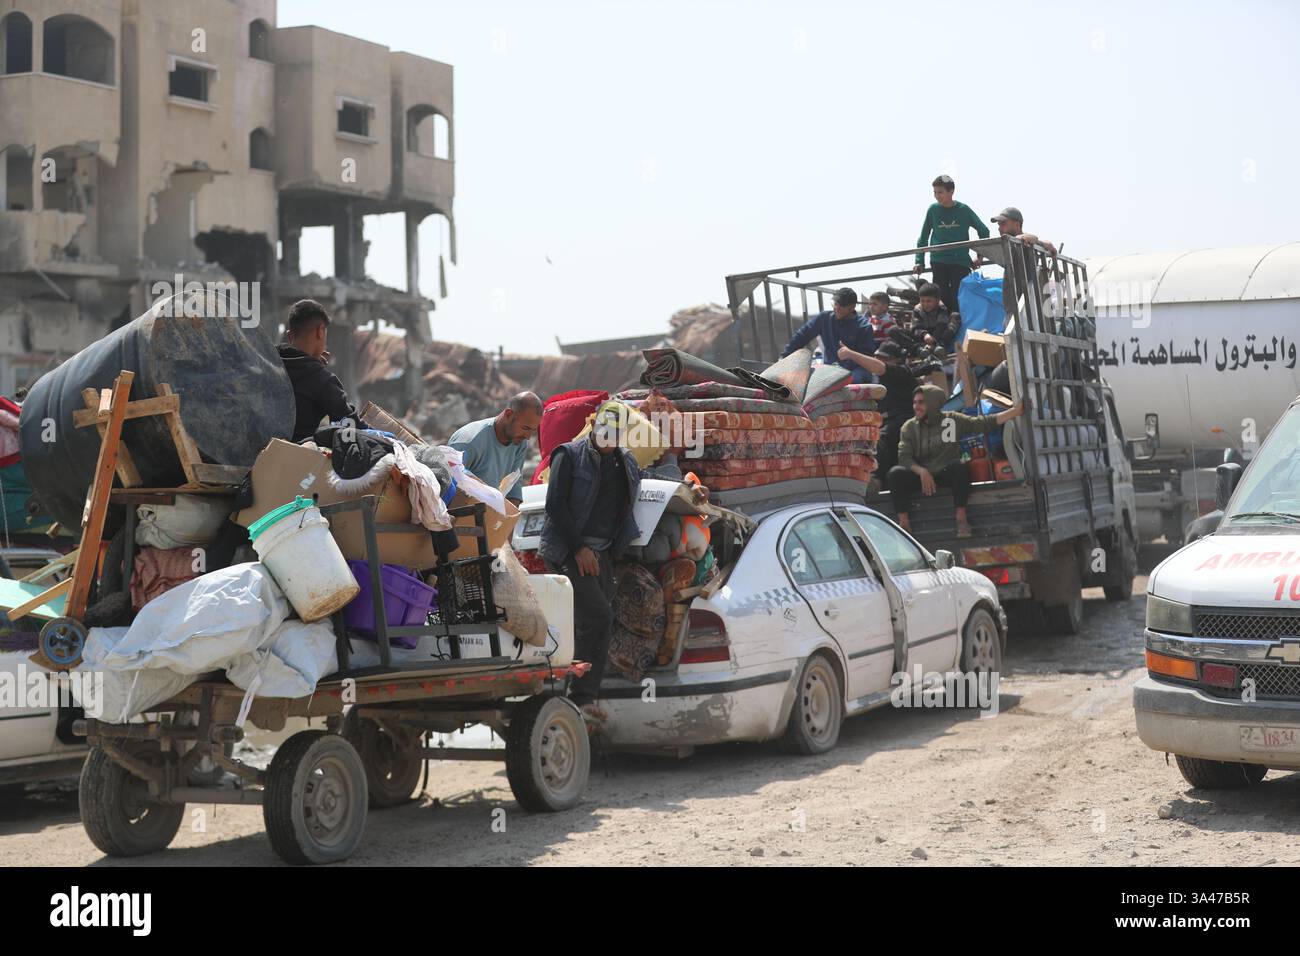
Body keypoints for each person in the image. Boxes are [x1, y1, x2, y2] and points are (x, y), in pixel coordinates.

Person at [538, 405, 642, 721]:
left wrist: (689, 486)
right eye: (604, 429)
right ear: (594, 424)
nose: (608, 437)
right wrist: (579, 548)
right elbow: (555, 506)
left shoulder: (625, 462)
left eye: (616, 433)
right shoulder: (567, 456)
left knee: (585, 623)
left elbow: (645, 482)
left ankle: (560, 696)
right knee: (599, 617)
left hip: (603, 555)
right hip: (567, 551)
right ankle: (582, 698)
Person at [888, 384, 1026, 538]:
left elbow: (982, 423)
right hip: (922, 477)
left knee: (960, 467)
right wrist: (921, 471)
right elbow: (904, 457)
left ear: (933, 403)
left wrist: (1015, 411)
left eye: (921, 402)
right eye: (914, 402)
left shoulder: (952, 420)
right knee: (895, 474)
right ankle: (904, 523)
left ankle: (961, 519)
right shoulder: (909, 427)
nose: (916, 407)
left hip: (946, 473)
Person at [277, 299, 365, 442]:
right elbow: (351, 429)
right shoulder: (322, 380)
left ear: (289, 335)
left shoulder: (268, 361)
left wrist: (310, 363)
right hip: (293, 459)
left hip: (255, 455)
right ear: (320, 332)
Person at [832, 339, 916, 477]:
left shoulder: (902, 372)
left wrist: (851, 354)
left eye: (882, 358)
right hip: (884, 423)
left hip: (902, 422)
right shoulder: (877, 382)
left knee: (878, 440)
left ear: (894, 359)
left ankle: (875, 479)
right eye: (877, 357)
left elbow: (878, 368)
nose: (877, 360)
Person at [447, 392, 543, 504]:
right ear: (508, 414)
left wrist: (508, 519)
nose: (528, 436)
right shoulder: (469, 441)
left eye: (532, 430)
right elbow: (447, 486)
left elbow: (514, 487)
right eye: (525, 428)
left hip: (488, 514)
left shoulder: (519, 443)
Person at [913, 174, 989, 315]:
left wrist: (980, 257)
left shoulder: (963, 210)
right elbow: (923, 237)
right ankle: (944, 332)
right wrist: (919, 262)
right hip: (939, 260)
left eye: (940, 192)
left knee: (958, 297)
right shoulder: (933, 210)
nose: (937, 196)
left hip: (959, 261)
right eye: (935, 192)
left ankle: (959, 329)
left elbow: (984, 231)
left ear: (951, 191)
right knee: (941, 298)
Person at [780, 287, 876, 383]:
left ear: (852, 307)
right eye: (835, 304)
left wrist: (851, 354)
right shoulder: (824, 318)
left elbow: (867, 360)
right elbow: (802, 336)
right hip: (830, 369)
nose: (836, 308)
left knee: (853, 381)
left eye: (841, 306)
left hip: (856, 370)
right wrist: (784, 358)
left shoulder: (864, 326)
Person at [909, 282, 959, 352]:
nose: (925, 304)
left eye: (929, 301)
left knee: (955, 316)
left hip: (939, 335)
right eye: (922, 301)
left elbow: (941, 326)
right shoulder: (918, 309)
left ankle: (941, 345)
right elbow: (915, 328)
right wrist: (924, 334)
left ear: (937, 300)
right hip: (925, 336)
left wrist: (934, 339)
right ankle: (922, 348)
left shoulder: (941, 307)